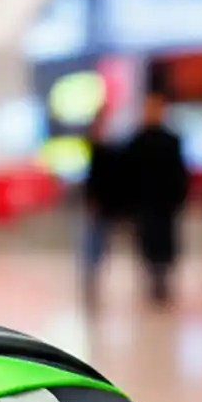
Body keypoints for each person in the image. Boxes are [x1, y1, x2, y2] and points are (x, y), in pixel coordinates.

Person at [125, 93, 189, 305]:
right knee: (147, 245)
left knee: (165, 245)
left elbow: (180, 173)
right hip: (144, 205)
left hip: (166, 205)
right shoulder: (137, 141)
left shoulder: (171, 140)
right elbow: (129, 175)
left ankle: (162, 282)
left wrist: (179, 198)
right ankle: (153, 281)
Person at [80, 108, 130, 303]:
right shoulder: (95, 150)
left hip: (106, 206)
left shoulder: (109, 152)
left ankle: (94, 279)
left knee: (99, 245)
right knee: (93, 246)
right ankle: (91, 281)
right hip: (97, 208)